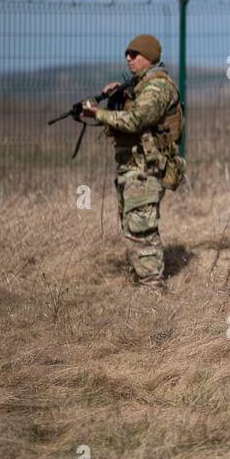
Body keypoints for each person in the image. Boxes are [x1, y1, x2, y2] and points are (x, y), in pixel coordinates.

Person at [82, 34, 183, 290]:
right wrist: (116, 97)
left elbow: (137, 119)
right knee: (132, 225)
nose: (129, 58)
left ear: (149, 57)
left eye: (135, 54)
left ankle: (152, 289)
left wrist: (99, 113)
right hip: (132, 168)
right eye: (127, 54)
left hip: (146, 169)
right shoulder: (138, 87)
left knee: (142, 228)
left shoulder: (157, 87)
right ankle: (144, 280)